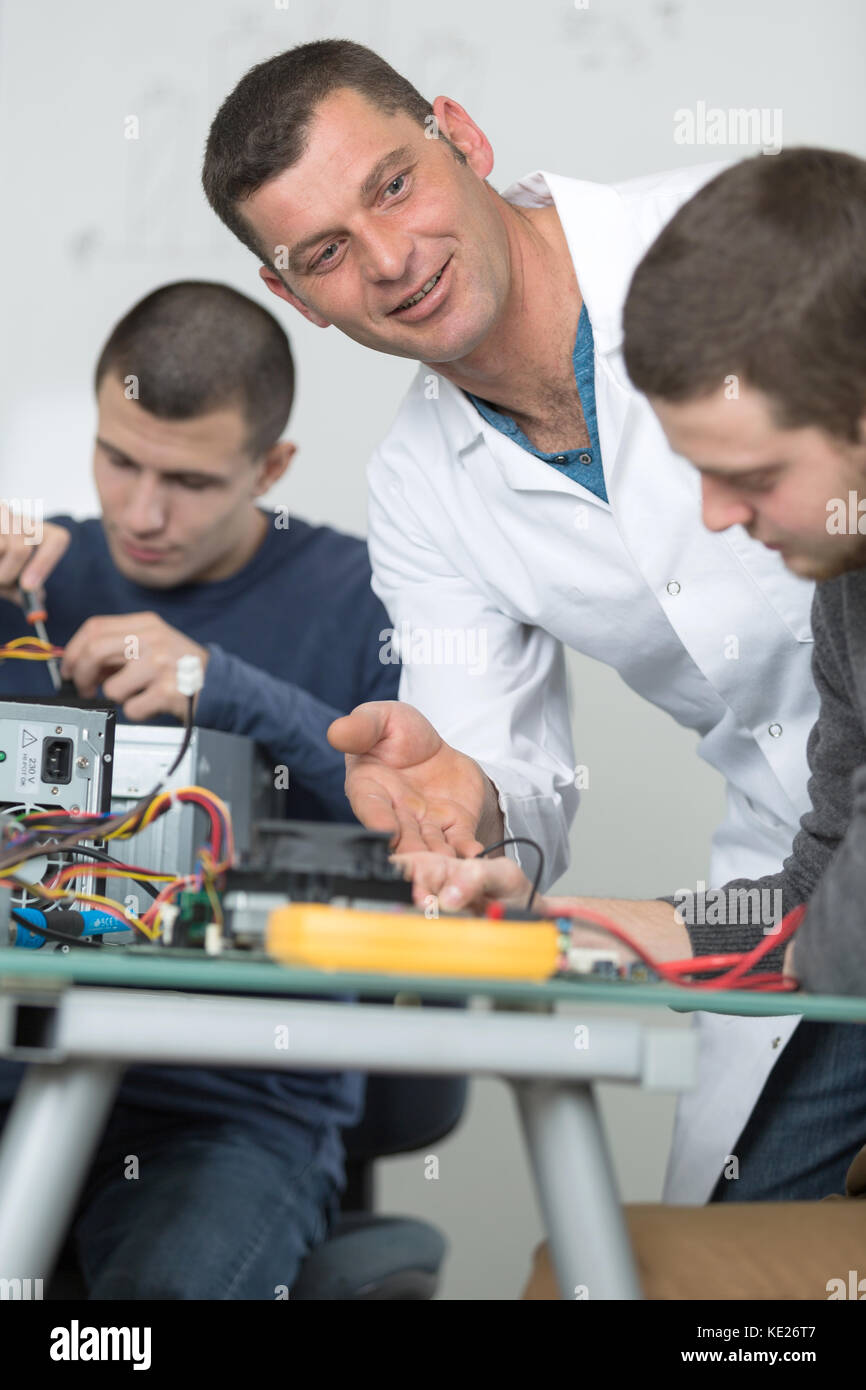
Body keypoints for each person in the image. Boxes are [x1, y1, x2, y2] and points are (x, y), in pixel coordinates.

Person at [202, 38, 831, 1206]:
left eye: (392, 182)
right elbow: (493, 776)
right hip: (804, 870)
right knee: (730, 1267)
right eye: (326, 254)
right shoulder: (416, 481)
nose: (391, 261)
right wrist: (469, 801)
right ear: (294, 301)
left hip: (814, 892)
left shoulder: (722, 241)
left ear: (461, 135)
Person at [396, 147, 866, 1298]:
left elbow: (838, 935)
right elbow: (814, 889)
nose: (713, 516)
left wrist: (759, 931)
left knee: (619, 1280)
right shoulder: (845, 587)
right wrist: (580, 922)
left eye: (750, 475)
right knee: (610, 1271)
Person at [0, 280, 399, 1298]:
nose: (139, 511)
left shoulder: (368, 600)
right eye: (116, 458)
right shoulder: (33, 578)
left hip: (231, 1107)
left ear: (269, 467)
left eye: (187, 480)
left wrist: (225, 688)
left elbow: (429, 838)